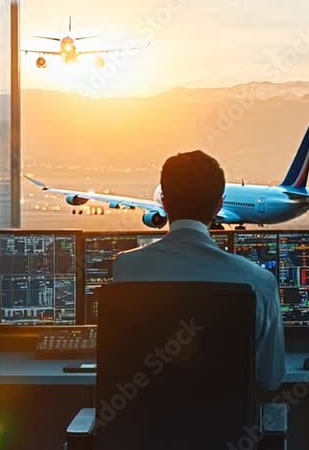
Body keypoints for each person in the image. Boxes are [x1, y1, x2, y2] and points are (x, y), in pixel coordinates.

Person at [113, 151, 285, 391]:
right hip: (227, 426)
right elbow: (270, 378)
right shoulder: (258, 281)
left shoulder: (125, 269)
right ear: (219, 204)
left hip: (146, 423)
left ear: (163, 202)